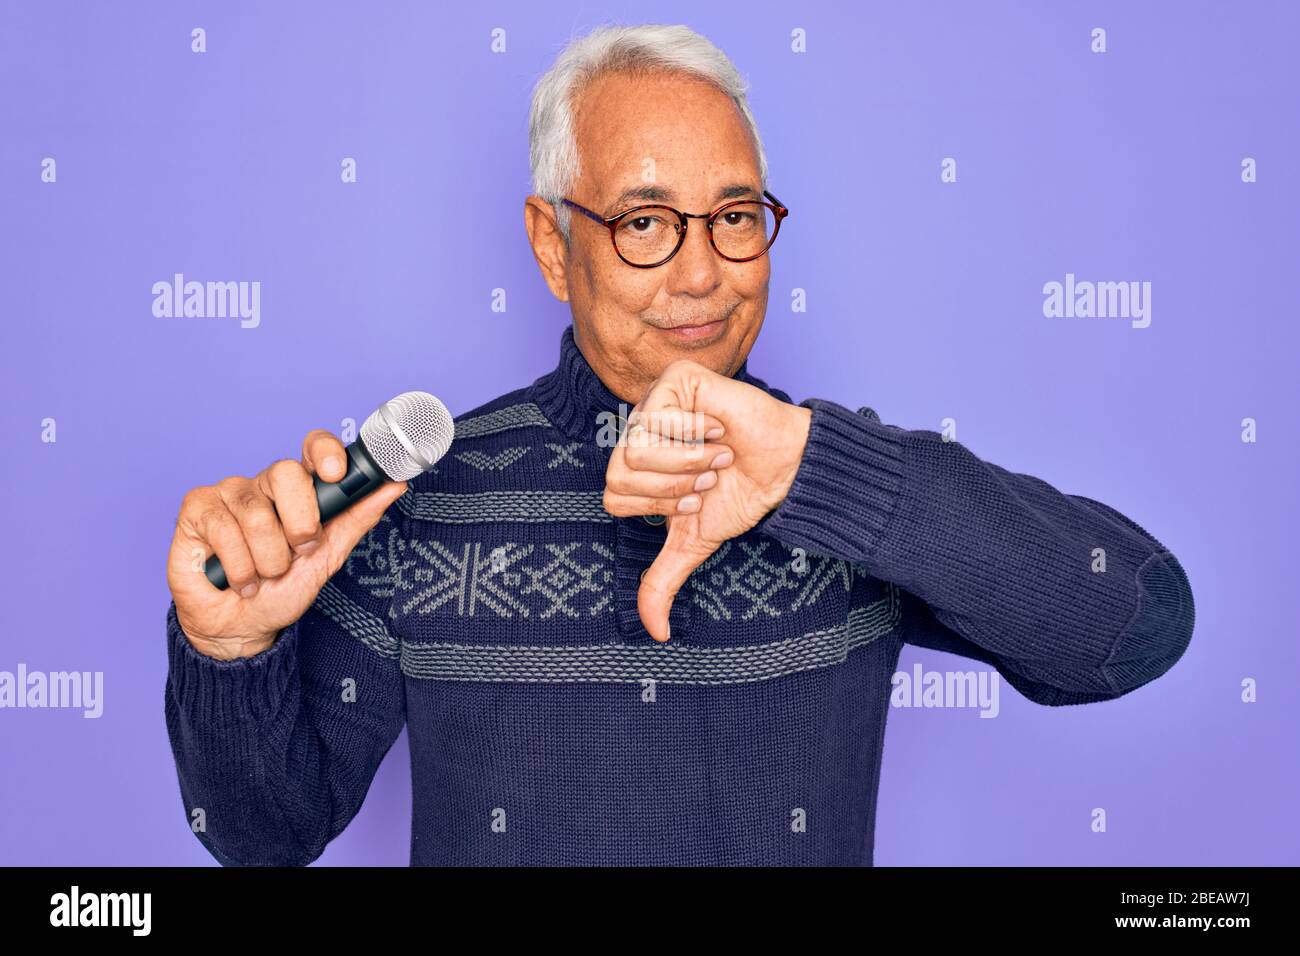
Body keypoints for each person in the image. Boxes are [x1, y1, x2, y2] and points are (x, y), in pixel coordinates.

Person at [164, 23, 1195, 866]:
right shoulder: (424, 495)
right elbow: (262, 834)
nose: (704, 273)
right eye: (646, 222)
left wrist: (810, 468)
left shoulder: (837, 478)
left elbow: (1135, 627)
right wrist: (232, 653)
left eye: (735, 215)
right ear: (548, 243)